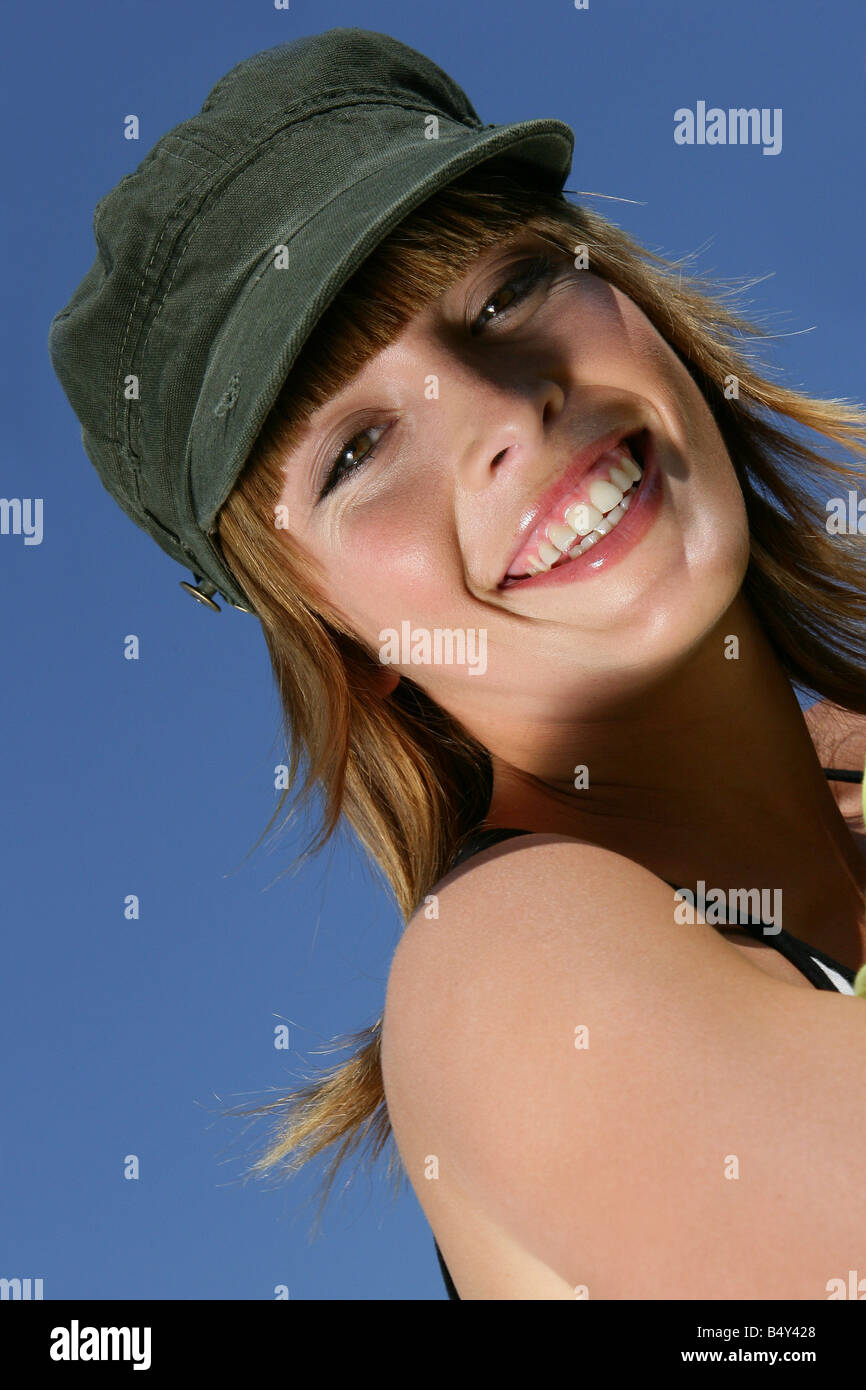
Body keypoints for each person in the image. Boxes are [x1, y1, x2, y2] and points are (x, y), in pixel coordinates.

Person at [48, 28, 866, 1301]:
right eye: (355, 451)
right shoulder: (504, 964)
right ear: (340, 645)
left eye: (504, 291)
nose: (500, 412)